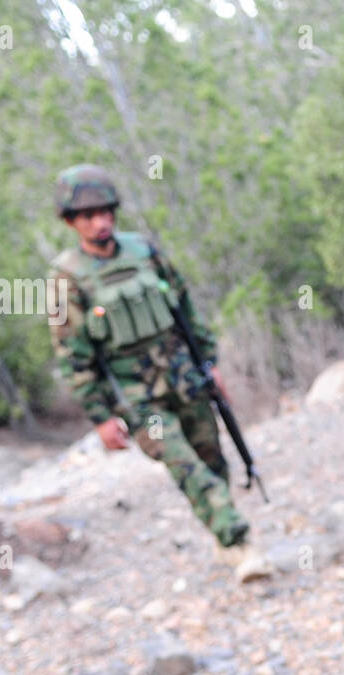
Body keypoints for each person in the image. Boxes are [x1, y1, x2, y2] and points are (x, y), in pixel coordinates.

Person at [47, 164, 252, 559]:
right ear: (71, 221)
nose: (101, 222)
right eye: (89, 216)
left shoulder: (144, 251)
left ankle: (223, 533)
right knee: (184, 464)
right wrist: (101, 417)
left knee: (211, 457)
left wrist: (210, 363)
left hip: (184, 376)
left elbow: (184, 307)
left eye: (107, 212)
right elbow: (73, 354)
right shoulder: (66, 278)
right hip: (136, 396)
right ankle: (239, 541)